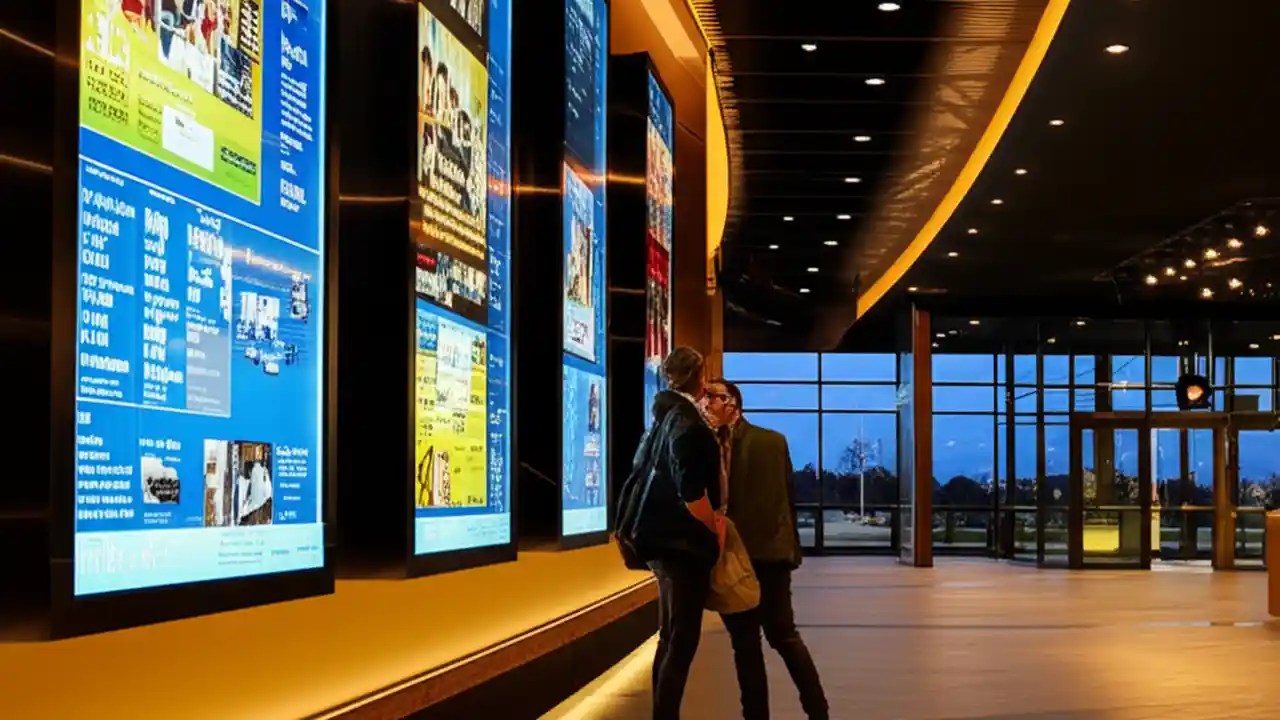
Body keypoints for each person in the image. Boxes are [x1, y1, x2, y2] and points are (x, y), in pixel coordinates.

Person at [703, 378, 829, 720]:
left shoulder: (768, 442)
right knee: (750, 645)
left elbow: (781, 501)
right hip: (739, 558)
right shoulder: (704, 445)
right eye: (704, 397)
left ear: (734, 404)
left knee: (778, 637)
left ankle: (817, 711)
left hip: (761, 557)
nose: (706, 403)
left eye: (713, 397)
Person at [615, 347, 721, 719]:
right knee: (681, 639)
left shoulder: (661, 418)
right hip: (682, 544)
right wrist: (716, 528)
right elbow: (691, 488)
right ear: (698, 376)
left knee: (669, 636)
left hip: (658, 542)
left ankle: (664, 713)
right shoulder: (686, 421)